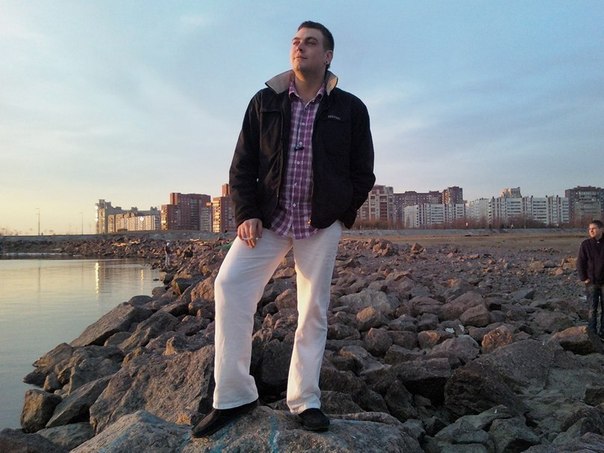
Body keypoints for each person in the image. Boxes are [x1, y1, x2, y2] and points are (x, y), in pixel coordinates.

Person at [192, 20, 375, 437]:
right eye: (295, 41)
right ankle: (234, 396)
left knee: (313, 309)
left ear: (327, 56)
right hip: (268, 219)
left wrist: (340, 212)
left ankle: (305, 399)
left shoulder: (350, 109)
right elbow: (242, 166)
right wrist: (246, 213)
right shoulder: (265, 102)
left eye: (310, 42)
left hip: (319, 223)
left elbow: (363, 172)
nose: (300, 47)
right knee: (229, 286)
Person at [576, 220, 604, 337]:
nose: (591, 231)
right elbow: (580, 262)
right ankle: (592, 333)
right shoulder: (586, 244)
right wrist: (584, 278)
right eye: (589, 229)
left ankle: (603, 333)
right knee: (592, 308)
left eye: (594, 228)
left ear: (601, 229)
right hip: (591, 282)